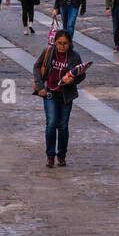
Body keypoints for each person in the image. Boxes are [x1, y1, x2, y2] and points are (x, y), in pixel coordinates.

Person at [33, 30, 87, 168]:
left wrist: (72, 81)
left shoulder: (74, 56)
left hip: (65, 95)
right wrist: (40, 87)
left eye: (65, 44)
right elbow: (37, 67)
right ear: (55, 43)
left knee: (63, 126)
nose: (62, 46)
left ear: (70, 44)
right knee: (51, 124)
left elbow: (81, 74)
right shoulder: (48, 52)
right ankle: (50, 155)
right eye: (59, 43)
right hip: (49, 93)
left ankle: (61, 155)